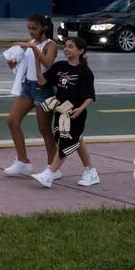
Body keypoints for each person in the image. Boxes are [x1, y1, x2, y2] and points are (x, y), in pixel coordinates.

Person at [29, 36, 100, 188]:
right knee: (76, 140)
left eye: (71, 47)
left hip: (75, 111)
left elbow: (89, 96)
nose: (66, 49)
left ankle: (50, 173)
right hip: (61, 109)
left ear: (80, 51)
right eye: (66, 46)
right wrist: (36, 64)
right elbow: (43, 83)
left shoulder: (85, 72)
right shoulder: (60, 66)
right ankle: (91, 172)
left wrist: (80, 109)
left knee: (65, 141)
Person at [1, 14, 59, 178]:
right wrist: (13, 64)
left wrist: (32, 48)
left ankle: (53, 168)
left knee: (44, 129)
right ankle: (23, 161)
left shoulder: (50, 45)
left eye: (34, 28)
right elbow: (27, 66)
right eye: (29, 28)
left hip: (44, 89)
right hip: (28, 87)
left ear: (44, 28)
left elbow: (48, 63)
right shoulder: (31, 44)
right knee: (12, 121)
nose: (31, 31)